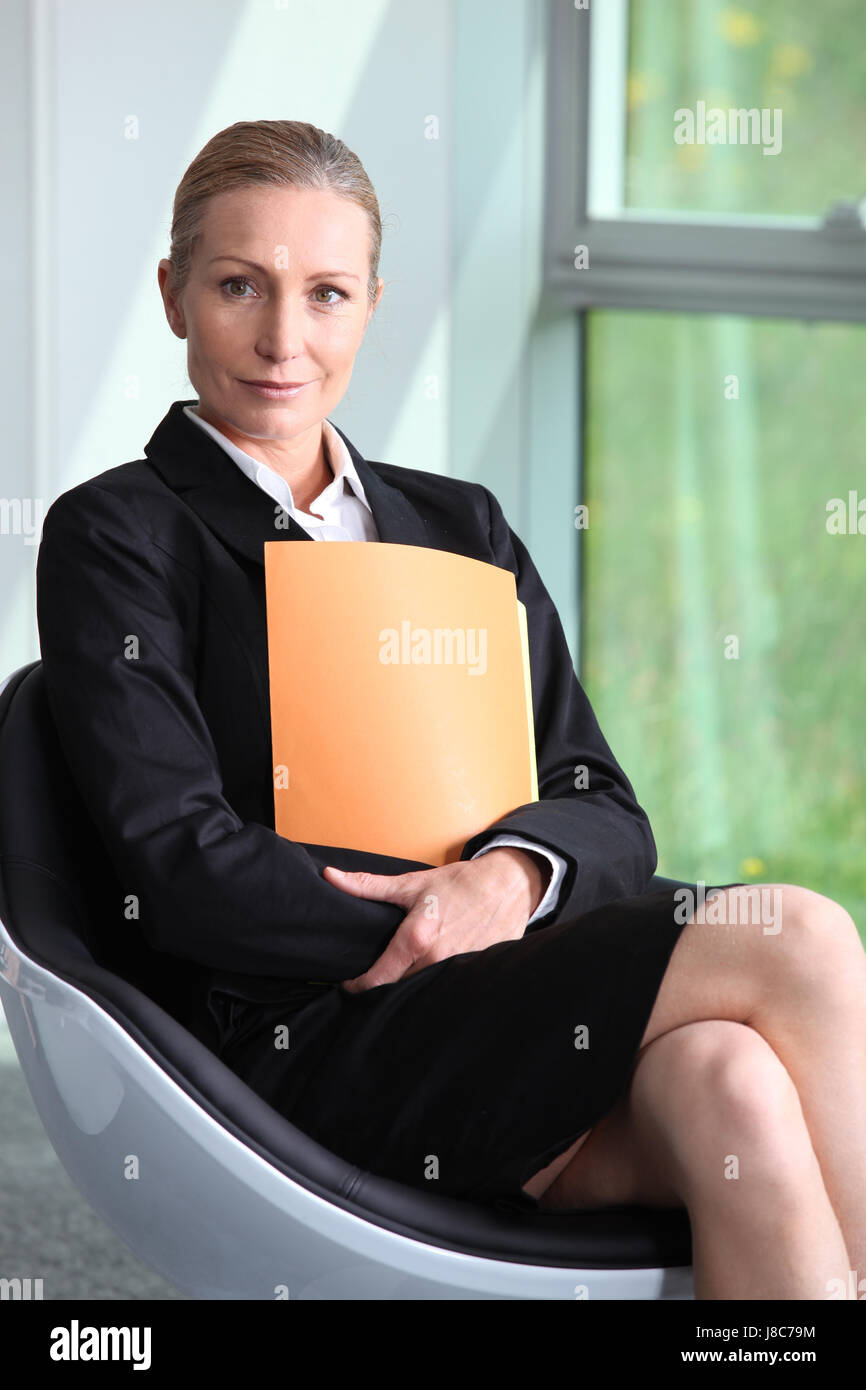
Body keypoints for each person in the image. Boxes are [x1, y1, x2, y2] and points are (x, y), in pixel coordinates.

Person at [35, 119, 866, 1301]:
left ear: (371, 303)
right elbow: (177, 863)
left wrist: (511, 883)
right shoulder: (119, 535)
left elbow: (598, 806)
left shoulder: (460, 525)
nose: (284, 339)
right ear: (172, 295)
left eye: (325, 293)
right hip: (305, 1035)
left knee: (729, 1081)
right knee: (806, 940)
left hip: (506, 1004)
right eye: (238, 287)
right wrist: (437, 927)